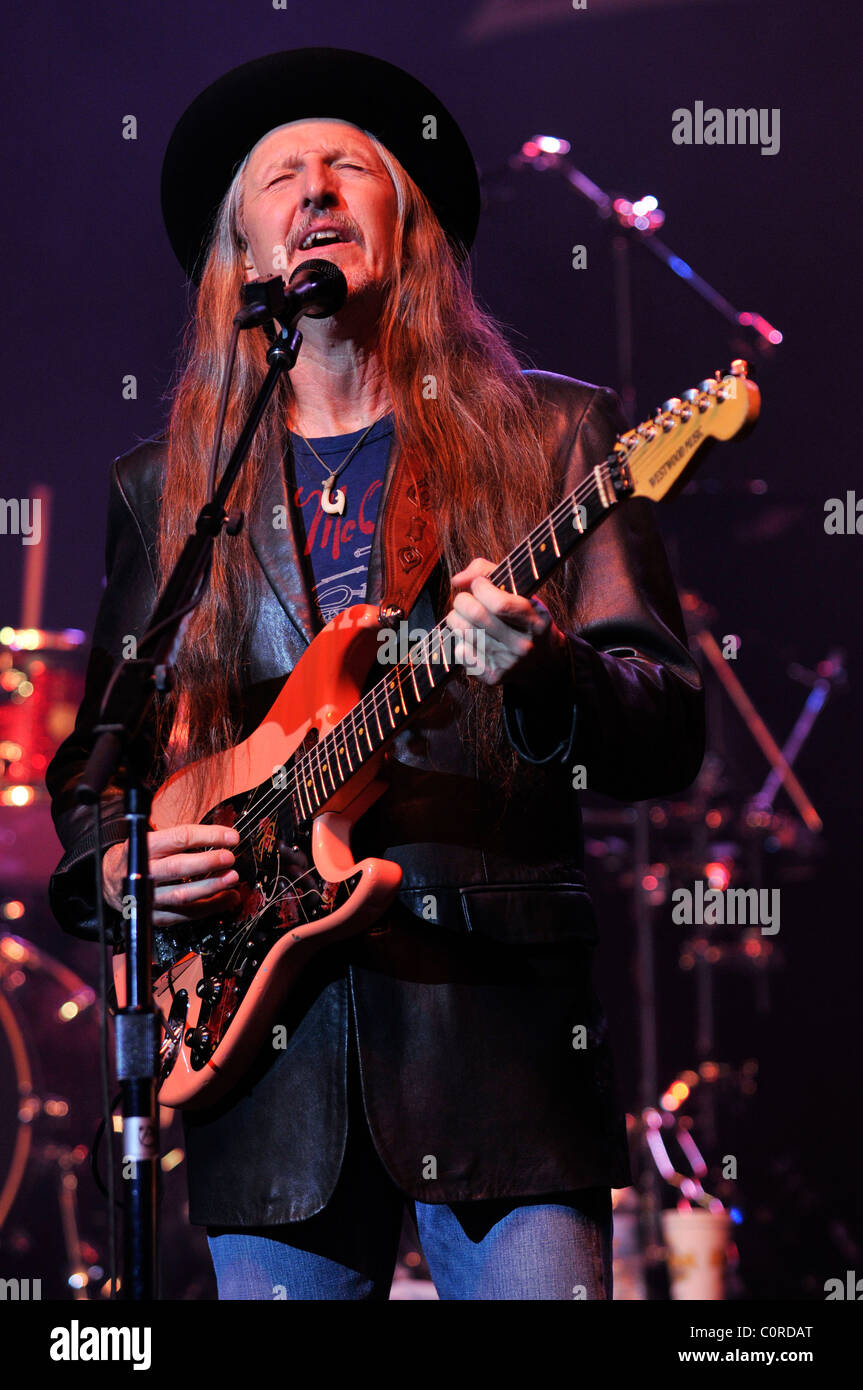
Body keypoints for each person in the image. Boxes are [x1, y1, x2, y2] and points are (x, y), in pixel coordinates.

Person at [46, 48, 704, 1300]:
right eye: (282, 176)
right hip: (259, 1062)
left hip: (498, 1042)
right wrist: (121, 868)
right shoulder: (166, 487)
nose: (316, 191)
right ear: (243, 254)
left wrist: (543, 666)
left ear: (411, 231)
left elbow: (665, 731)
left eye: (349, 166)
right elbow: (95, 770)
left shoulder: (555, 434)